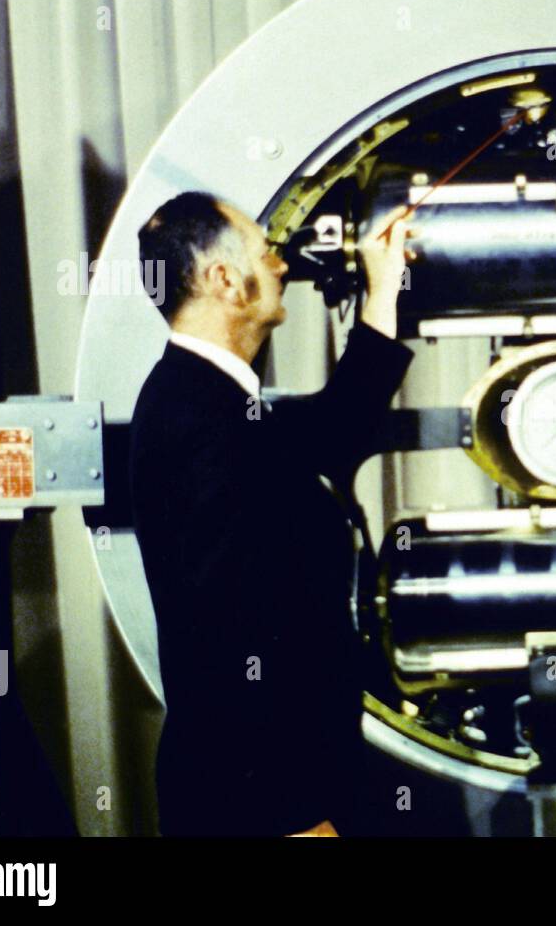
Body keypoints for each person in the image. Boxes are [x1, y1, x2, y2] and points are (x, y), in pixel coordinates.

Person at [129, 192, 414, 836]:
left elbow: (334, 432)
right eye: (267, 252)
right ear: (224, 279)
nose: (284, 266)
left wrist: (383, 293)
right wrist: (294, 816)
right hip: (259, 805)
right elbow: (229, 639)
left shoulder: (213, 399)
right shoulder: (200, 418)